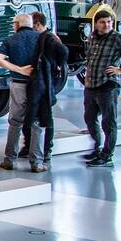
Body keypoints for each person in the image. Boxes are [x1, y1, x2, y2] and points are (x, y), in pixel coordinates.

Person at [81, 9, 121, 168]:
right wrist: (87, 76)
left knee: (109, 122)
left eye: (109, 21)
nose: (106, 24)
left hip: (108, 85)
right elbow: (89, 58)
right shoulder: (92, 36)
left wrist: (120, 70)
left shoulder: (118, 38)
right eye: (103, 22)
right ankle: (97, 147)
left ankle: (107, 155)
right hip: (91, 85)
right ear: (96, 23)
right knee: (89, 118)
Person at [0, 12, 41, 171]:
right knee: (36, 123)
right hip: (37, 86)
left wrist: (18, 69)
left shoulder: (11, 40)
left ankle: (9, 159)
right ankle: (37, 162)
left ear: (17, 25)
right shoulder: (41, 38)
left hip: (18, 85)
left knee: (15, 122)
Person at [20, 11, 68, 171]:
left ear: (37, 24)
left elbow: (63, 51)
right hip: (43, 83)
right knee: (38, 118)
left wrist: (57, 66)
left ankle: (44, 151)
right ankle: (36, 149)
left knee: (42, 118)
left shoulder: (48, 38)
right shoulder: (47, 37)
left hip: (43, 84)